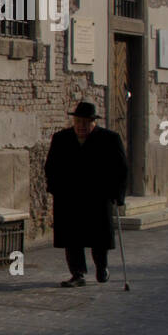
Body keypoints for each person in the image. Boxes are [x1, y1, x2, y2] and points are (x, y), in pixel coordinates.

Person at [43, 102, 129, 287]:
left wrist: (118, 195)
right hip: (70, 197)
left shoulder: (110, 139)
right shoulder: (61, 139)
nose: (81, 126)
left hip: (98, 197)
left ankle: (101, 267)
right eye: (78, 122)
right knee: (72, 237)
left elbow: (121, 169)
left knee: (98, 237)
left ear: (94, 123)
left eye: (86, 123)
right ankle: (77, 273)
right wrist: (55, 188)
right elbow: (51, 166)